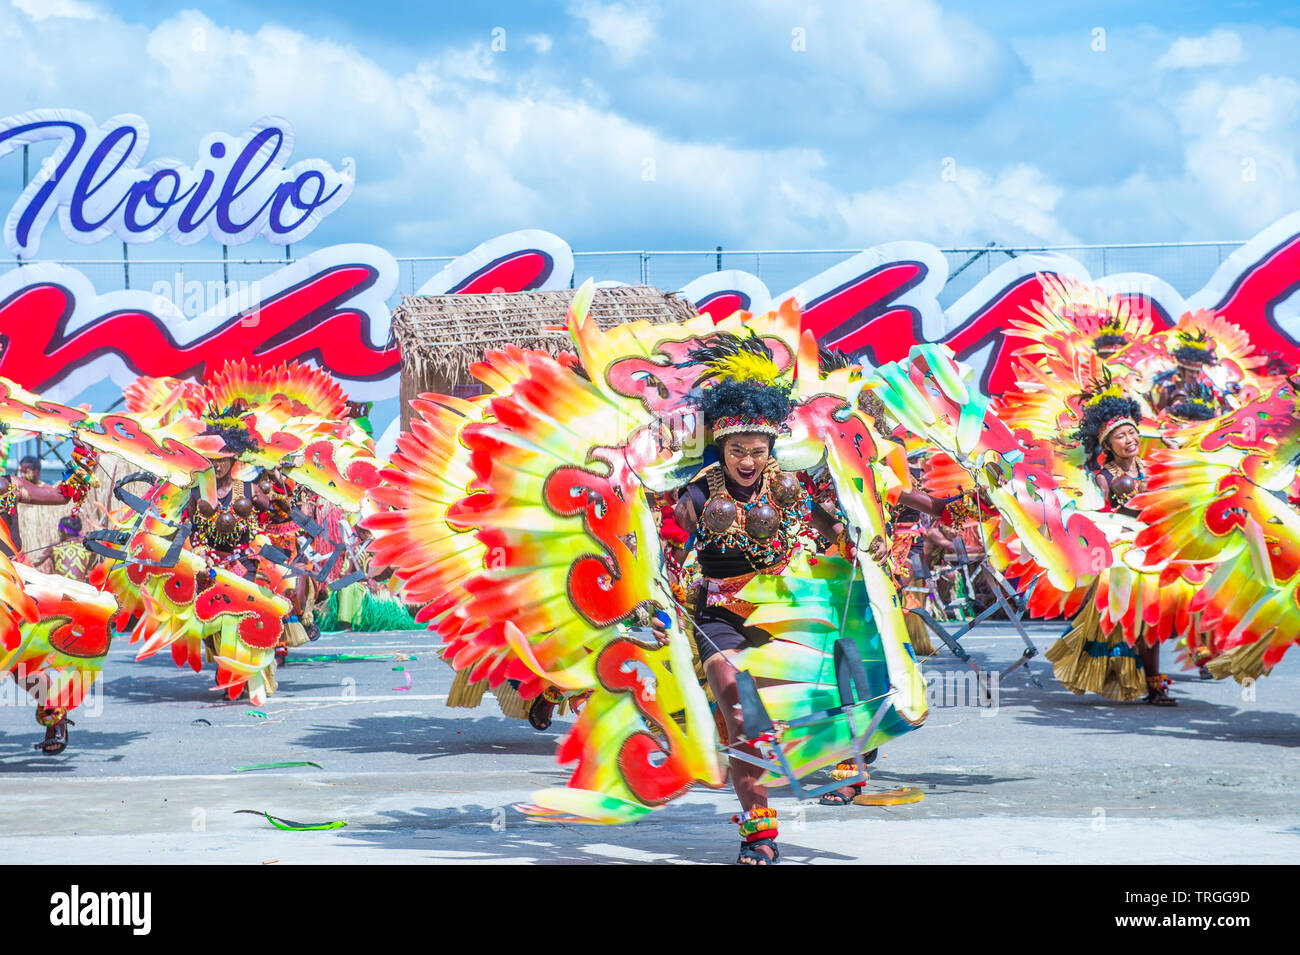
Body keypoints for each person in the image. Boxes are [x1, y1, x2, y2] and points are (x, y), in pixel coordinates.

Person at [671, 344, 850, 864]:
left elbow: (836, 532)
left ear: (770, 447)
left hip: (783, 610)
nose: (746, 461)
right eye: (736, 451)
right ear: (721, 450)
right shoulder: (698, 496)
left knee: (790, 709)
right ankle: (759, 834)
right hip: (719, 614)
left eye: (756, 450)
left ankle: (843, 760)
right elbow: (663, 539)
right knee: (740, 708)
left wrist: (856, 542)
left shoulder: (792, 489)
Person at [1045, 385, 1176, 705]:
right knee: (1129, 618)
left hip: (1153, 547)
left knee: (1152, 618)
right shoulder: (1102, 478)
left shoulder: (1153, 468)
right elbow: (1096, 518)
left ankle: (1154, 683)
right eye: (1121, 436)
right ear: (1108, 444)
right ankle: (1133, 678)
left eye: (1133, 433)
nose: (1130, 439)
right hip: (1122, 553)